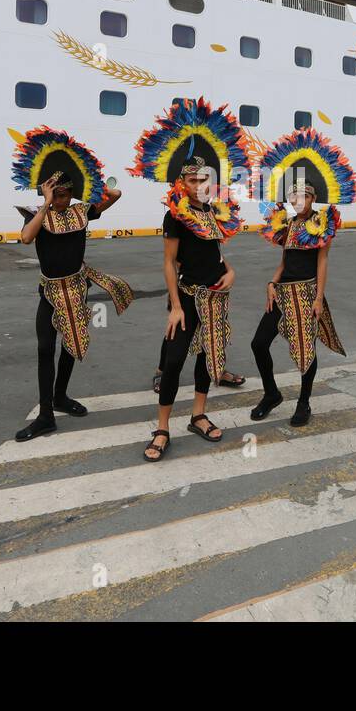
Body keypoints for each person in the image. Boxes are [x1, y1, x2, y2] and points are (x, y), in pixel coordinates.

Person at [130, 98, 249, 463]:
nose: (199, 185)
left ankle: (198, 416)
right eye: (193, 180)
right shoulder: (176, 217)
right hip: (187, 298)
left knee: (207, 360)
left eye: (204, 180)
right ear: (182, 181)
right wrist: (176, 307)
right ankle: (162, 428)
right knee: (176, 360)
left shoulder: (216, 214)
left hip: (216, 298)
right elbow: (169, 263)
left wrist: (230, 270)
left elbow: (213, 253)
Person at [11, 129, 133, 441]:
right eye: (56, 194)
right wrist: (46, 203)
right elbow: (25, 239)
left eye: (66, 194)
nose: (62, 199)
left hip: (78, 289)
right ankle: (46, 415)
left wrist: (101, 185)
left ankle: (61, 396)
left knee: (71, 344)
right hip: (50, 292)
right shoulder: (36, 216)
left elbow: (113, 197)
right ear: (46, 193)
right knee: (43, 348)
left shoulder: (82, 212)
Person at [249, 128, 356, 427]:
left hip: (307, 293)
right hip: (281, 293)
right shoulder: (287, 224)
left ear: (313, 198)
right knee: (258, 344)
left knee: (305, 349)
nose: (298, 199)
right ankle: (272, 394)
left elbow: (322, 261)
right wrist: (272, 283)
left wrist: (319, 298)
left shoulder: (322, 224)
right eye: (293, 195)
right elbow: (285, 260)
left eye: (304, 195)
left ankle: (304, 401)